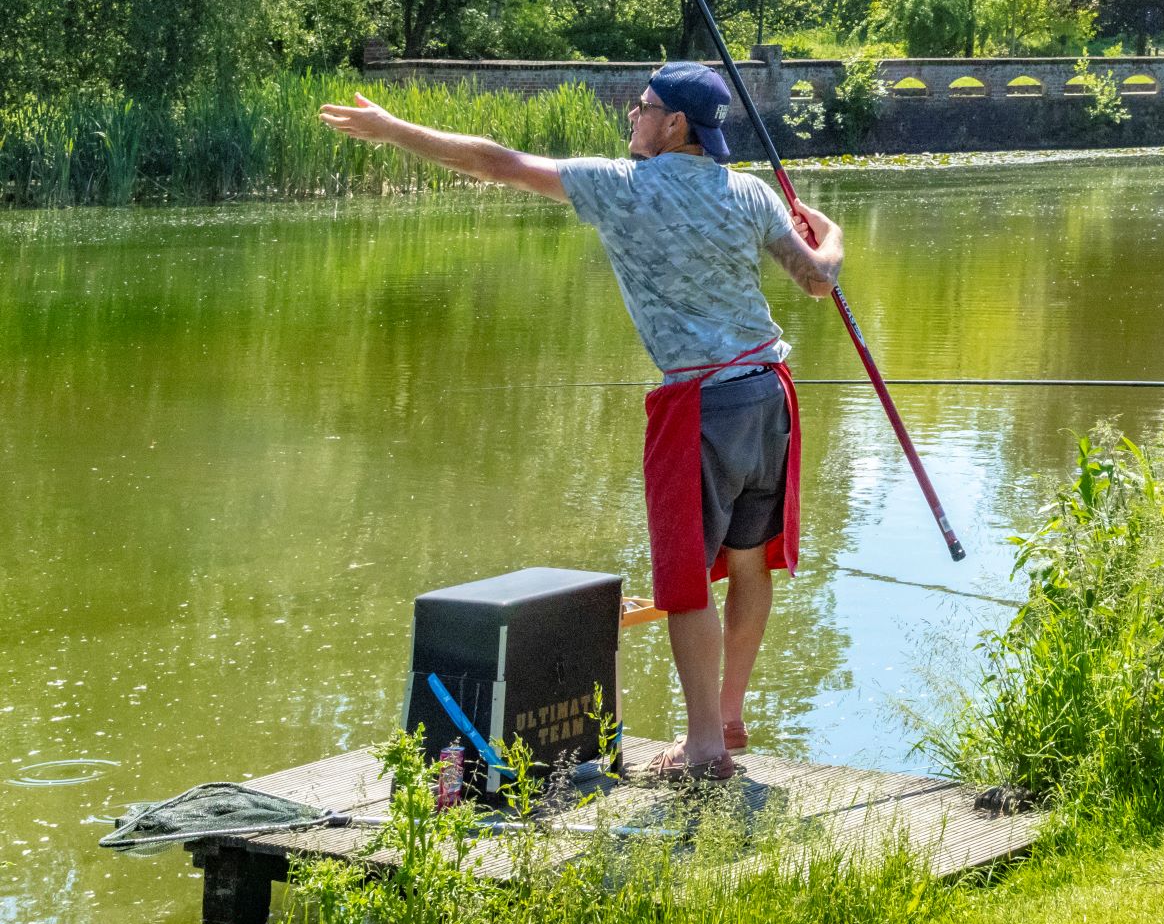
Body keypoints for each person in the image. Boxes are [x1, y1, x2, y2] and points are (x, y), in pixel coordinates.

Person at [320, 62, 845, 783]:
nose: (633, 117)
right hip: (767, 396)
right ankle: (727, 714)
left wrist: (392, 130)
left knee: (685, 579)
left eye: (643, 108)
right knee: (752, 563)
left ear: (674, 126)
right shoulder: (751, 192)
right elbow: (818, 280)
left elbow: (497, 163)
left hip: (700, 406)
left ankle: (703, 751)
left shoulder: (621, 187)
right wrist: (833, 233)